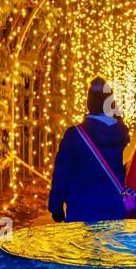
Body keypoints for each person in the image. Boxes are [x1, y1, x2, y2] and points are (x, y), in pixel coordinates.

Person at [48, 77, 131, 222]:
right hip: (114, 209)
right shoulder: (120, 132)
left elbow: (62, 173)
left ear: (89, 102)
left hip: (81, 210)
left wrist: (56, 205)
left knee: (81, 245)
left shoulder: (75, 135)